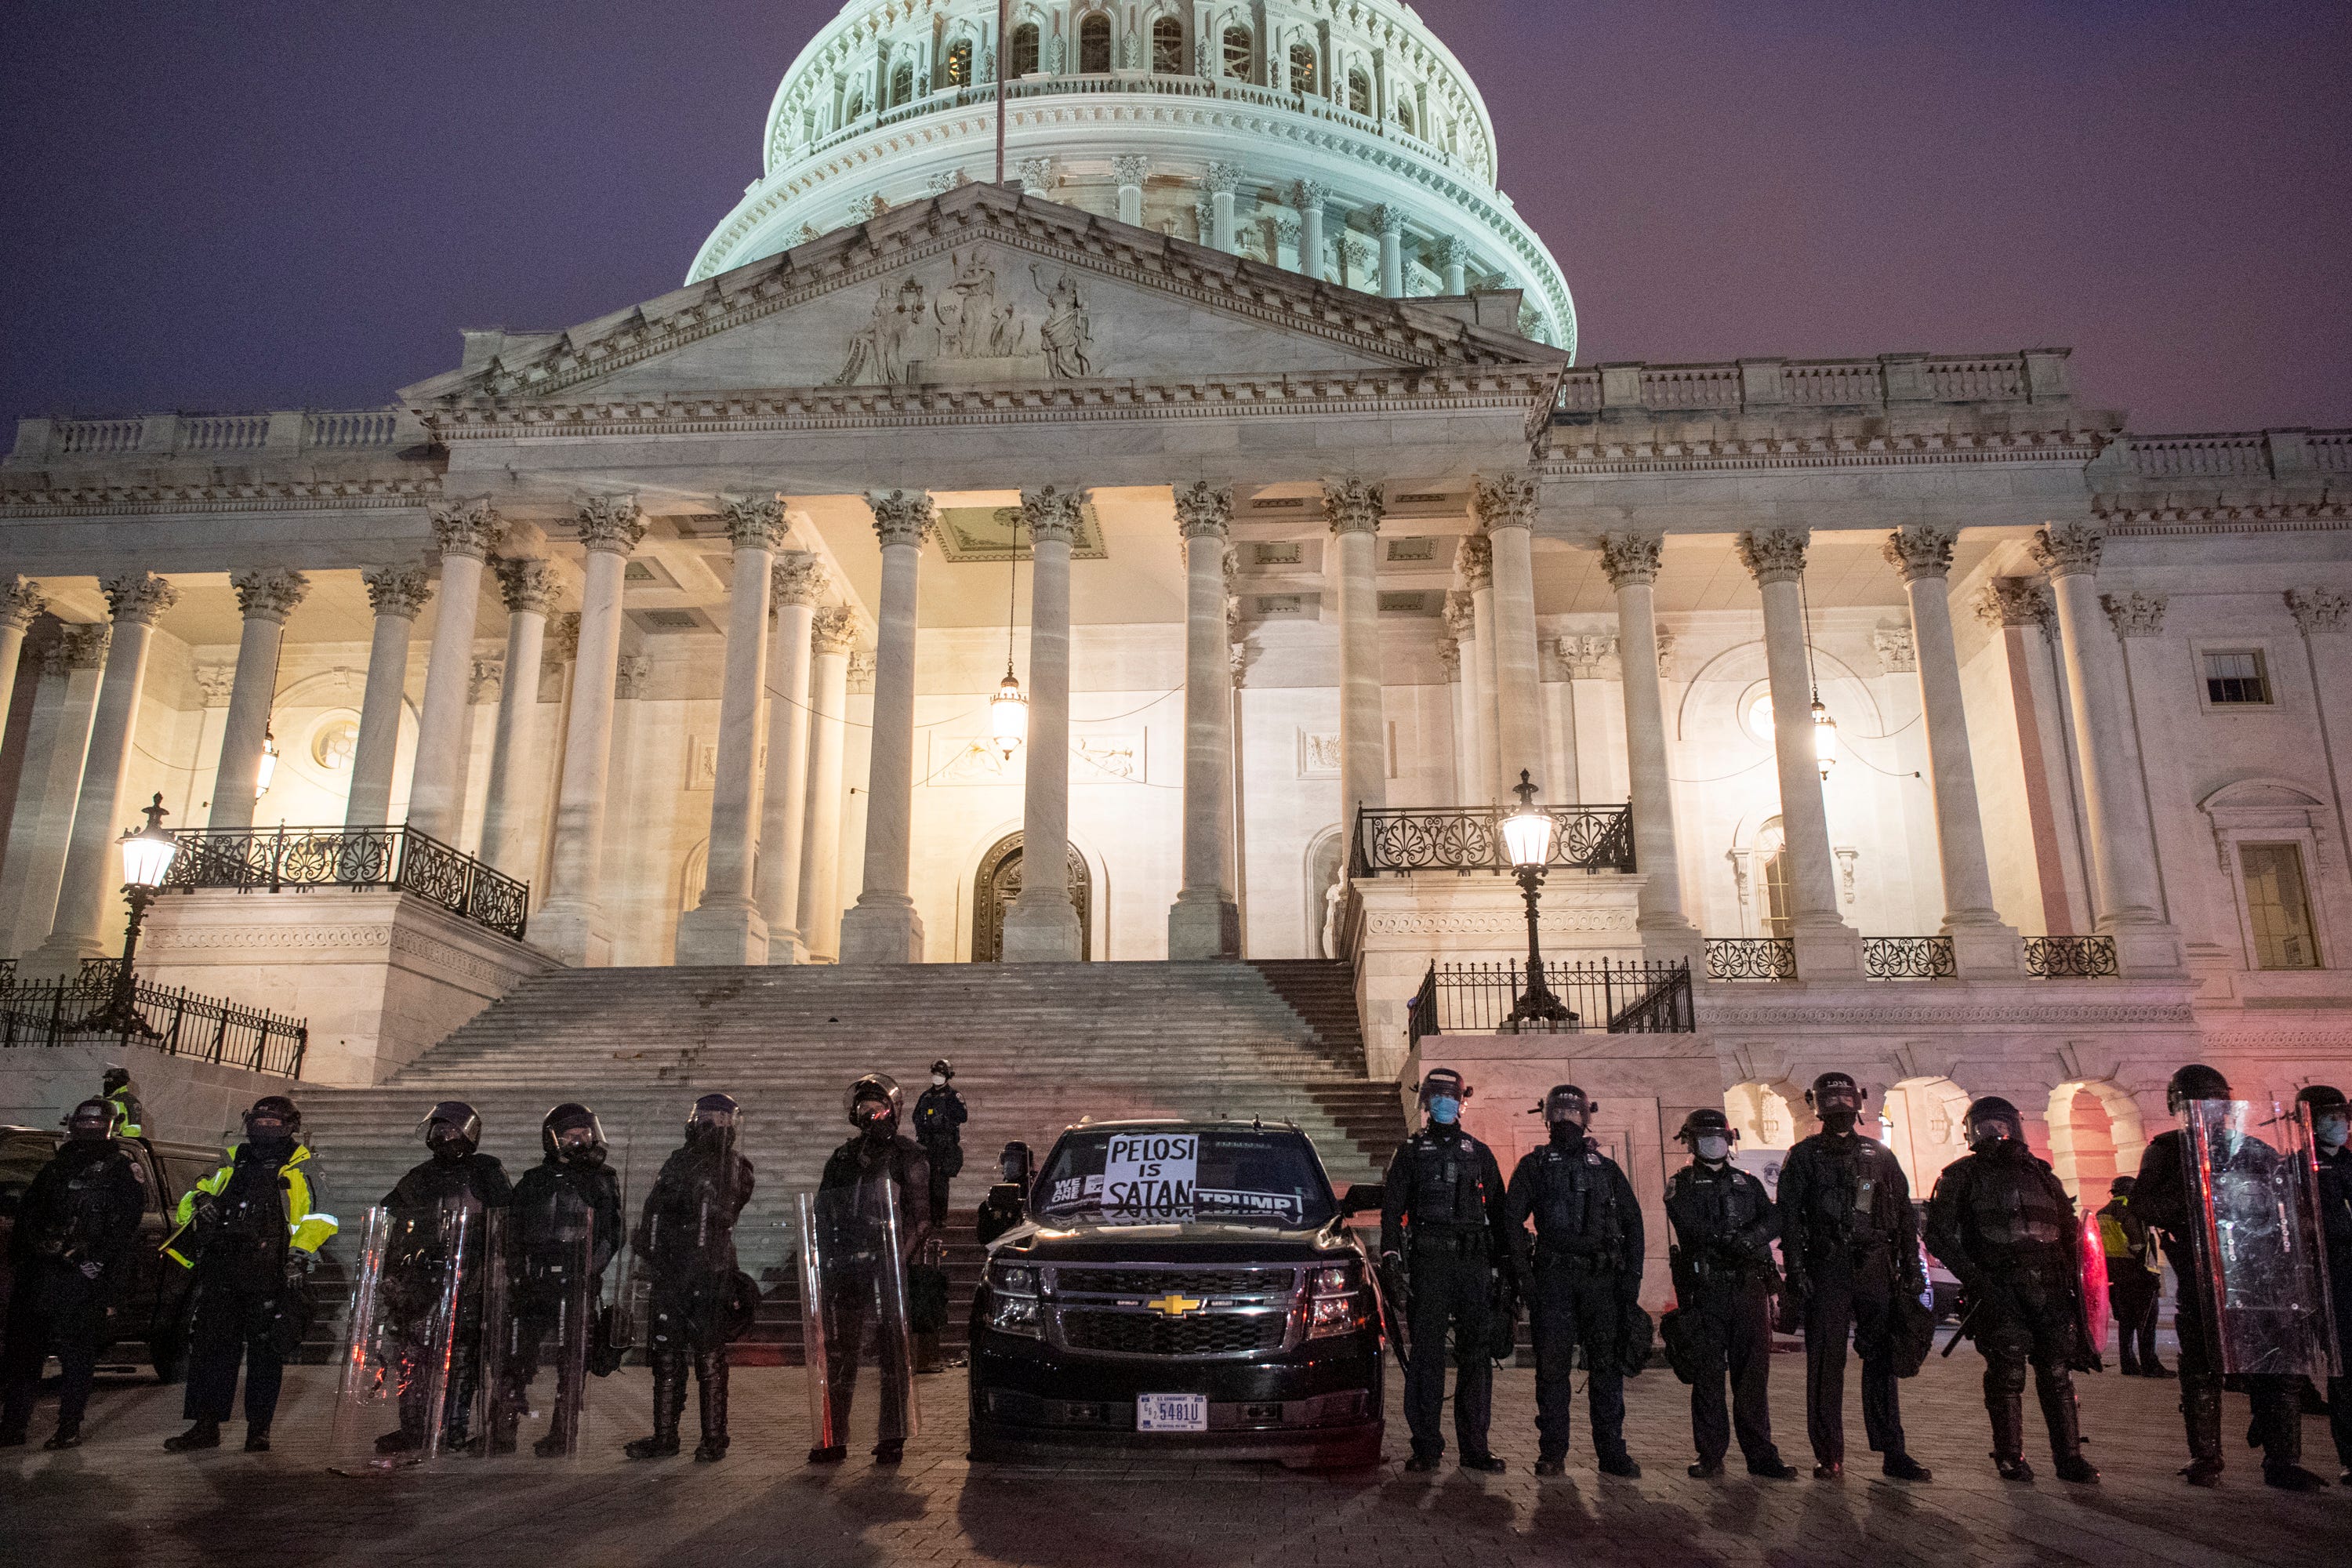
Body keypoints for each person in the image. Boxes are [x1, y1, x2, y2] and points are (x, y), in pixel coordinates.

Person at [2134, 1063, 2326, 1490]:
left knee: (2276, 1368)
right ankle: (2206, 1457)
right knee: (2201, 1372)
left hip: (2258, 1273)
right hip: (2201, 1275)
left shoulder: (2253, 1149)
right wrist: (2198, 1197)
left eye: (2216, 1101)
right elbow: (2145, 1206)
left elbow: (2286, 1203)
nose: (2209, 1110)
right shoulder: (2167, 1151)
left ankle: (2283, 1460)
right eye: (2198, 1102)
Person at [1925, 1097, 2099, 1484]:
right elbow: (1939, 1235)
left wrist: (2079, 1287)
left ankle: (2070, 1458)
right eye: (1986, 1126)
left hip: (2050, 1287)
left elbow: (2070, 1231)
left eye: (2001, 1125)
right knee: (2007, 1373)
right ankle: (2010, 1456)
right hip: (1998, 1287)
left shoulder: (2042, 1175)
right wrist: (1976, 1279)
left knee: (2057, 1371)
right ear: (1973, 1132)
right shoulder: (1960, 1176)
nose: (1995, 1133)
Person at [1776, 1071, 1932, 1482]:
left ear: (1858, 1103)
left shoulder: (1878, 1155)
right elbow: (1789, 1217)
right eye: (1832, 1101)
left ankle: (1893, 1452)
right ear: (1817, 1106)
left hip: (1875, 1265)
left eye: (1846, 1100)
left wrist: (1911, 1266)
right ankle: (1829, 1454)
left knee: (1882, 1359)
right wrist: (1796, 1270)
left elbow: (1903, 1215)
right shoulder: (1804, 1155)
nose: (1840, 1109)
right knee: (1826, 1362)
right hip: (1827, 1267)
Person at [162, 1094, 336, 1453]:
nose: (265, 1128)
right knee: (210, 1351)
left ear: (291, 1127)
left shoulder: (302, 1165)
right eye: (259, 1122)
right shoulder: (232, 1159)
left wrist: (299, 1255)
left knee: (265, 1353)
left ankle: (259, 1430)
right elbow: (190, 1200)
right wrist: (200, 1201)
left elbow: (321, 1218)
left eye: (274, 1123)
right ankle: (205, 1426)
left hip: (271, 1271)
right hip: (223, 1268)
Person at [1506, 1084, 1644, 1479]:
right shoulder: (1533, 1166)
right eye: (1560, 1113)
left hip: (1602, 1281)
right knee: (1552, 1371)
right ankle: (1552, 1452)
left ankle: (1612, 1452)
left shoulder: (1607, 1169)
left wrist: (1632, 1279)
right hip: (1554, 1279)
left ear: (1586, 1118)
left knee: (1607, 1369)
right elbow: (1511, 1221)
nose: (1567, 1121)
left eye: (1574, 1114)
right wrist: (1524, 1276)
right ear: (1548, 1118)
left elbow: (1634, 1224)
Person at [1381, 1066, 1510, 1474]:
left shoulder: (1479, 1153)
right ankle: (1426, 1446)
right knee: (1427, 1356)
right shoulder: (1409, 1152)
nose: (1443, 1103)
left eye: (1450, 1096)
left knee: (1476, 1355)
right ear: (1426, 1102)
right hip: (1430, 1264)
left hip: (1473, 1264)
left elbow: (1501, 1213)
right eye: (1436, 1096)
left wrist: (1507, 1268)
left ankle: (1475, 1447)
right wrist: (1390, 1259)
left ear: (1461, 1102)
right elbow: (1391, 1213)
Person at [0, 1100, 144, 1449]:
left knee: (76, 1356)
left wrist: (98, 1266)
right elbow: (29, 1213)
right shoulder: (56, 1166)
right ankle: (13, 1425)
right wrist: (29, 1251)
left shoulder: (120, 1170)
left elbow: (125, 1228)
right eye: (84, 1121)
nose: (89, 1127)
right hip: (40, 1273)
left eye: (96, 1122)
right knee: (23, 1353)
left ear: (109, 1126)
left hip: (80, 1276)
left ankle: (69, 1426)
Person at [1662, 1107, 1797, 1480]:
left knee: (1753, 1376)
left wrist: (1750, 1238)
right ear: (1691, 1143)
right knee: (1708, 1376)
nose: (1713, 1144)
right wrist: (1726, 1240)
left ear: (1729, 1140)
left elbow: (1774, 1217)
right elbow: (1687, 1224)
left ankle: (1761, 1455)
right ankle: (1710, 1455)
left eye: (1718, 1138)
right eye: (1705, 1138)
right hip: (1707, 1290)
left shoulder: (1747, 1183)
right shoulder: (1682, 1184)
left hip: (1748, 1287)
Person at [372, 1102, 510, 1455]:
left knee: (461, 1356)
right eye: (440, 1129)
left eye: (452, 1130)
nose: (445, 1136)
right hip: (421, 1276)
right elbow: (396, 1224)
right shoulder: (419, 1175)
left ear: (469, 1134)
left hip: (469, 1275)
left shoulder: (486, 1171)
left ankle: (453, 1429)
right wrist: (392, 1273)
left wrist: (489, 1268)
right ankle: (413, 1428)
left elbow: (504, 1222)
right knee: (413, 1355)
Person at [808, 1073, 930, 1465]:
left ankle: (892, 1436)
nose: (869, 1113)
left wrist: (896, 1262)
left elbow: (921, 1220)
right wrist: (826, 1256)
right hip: (847, 1265)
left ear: (891, 1110)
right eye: (864, 1106)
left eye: (876, 1106)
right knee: (841, 1354)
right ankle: (834, 1436)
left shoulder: (908, 1155)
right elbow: (822, 1210)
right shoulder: (843, 1157)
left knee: (893, 1356)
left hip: (887, 1268)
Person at [626, 1093, 753, 1463]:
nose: (713, 1124)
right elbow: (654, 1207)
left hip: (710, 1270)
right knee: (666, 1356)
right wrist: (647, 1243)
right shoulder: (676, 1161)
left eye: (722, 1118)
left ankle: (714, 1438)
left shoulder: (734, 1165)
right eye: (708, 1117)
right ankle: (665, 1436)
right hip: (671, 1268)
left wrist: (703, 1196)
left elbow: (728, 1211)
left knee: (709, 1357)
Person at [495, 1103, 623, 1457]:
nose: (580, 1140)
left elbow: (613, 1234)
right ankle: (502, 1430)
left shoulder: (602, 1179)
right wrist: (517, 1272)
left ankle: (562, 1432)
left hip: (576, 1282)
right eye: (571, 1135)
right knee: (516, 1356)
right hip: (535, 1282)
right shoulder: (534, 1180)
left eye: (585, 1133)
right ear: (554, 1139)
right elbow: (511, 1230)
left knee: (572, 1362)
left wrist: (588, 1271)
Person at [2294, 1084, 2352, 1486]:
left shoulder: (2349, 1162)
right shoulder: (2299, 1167)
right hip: (2328, 1278)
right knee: (2344, 1370)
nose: (2341, 1125)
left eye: (2344, 1118)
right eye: (2332, 1118)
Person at [2095, 1175, 2166, 1377]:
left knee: (2126, 1322)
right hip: (2138, 1274)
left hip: (2116, 1276)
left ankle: (2128, 1363)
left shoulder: (2102, 1213)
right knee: (2147, 1322)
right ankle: (2150, 1365)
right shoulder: (2130, 1211)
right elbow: (2139, 1245)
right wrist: (2150, 1273)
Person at [912, 1059, 967, 1229]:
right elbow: (916, 1116)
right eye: (935, 1074)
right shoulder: (926, 1096)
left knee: (940, 1183)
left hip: (944, 1147)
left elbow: (963, 1116)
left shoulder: (953, 1096)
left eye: (941, 1074)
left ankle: (940, 1218)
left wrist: (945, 1118)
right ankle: (927, 1217)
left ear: (948, 1077)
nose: (937, 1077)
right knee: (926, 1182)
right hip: (927, 1145)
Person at [975, 1142, 1033, 1247]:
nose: (1009, 1164)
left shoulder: (1031, 1188)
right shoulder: (1000, 1190)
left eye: (1014, 1160)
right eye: (1007, 1159)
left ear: (1024, 1163)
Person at [100, 1066, 146, 1141]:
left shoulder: (130, 1101)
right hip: (97, 1140)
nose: (106, 1082)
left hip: (116, 1142)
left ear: (120, 1081)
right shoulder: (100, 1099)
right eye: (106, 1080)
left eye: (109, 1079)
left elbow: (133, 1129)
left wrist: (126, 1144)